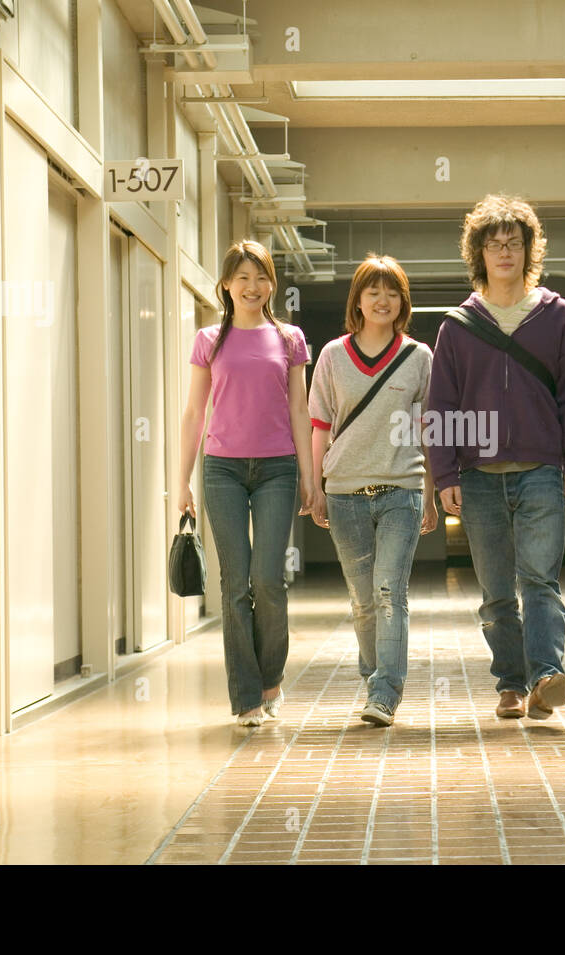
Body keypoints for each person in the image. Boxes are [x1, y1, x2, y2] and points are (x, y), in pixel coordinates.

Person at [428, 194, 565, 720]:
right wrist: (445, 471)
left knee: (540, 580)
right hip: (477, 478)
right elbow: (442, 405)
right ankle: (510, 681)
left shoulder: (558, 315)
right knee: (496, 590)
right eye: (494, 244)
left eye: (514, 243)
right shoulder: (457, 325)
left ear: (528, 251)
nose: (505, 253)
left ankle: (546, 675)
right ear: (479, 253)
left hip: (542, 471)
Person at [178, 239, 314, 728]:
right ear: (227, 285)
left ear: (271, 285)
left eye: (261, 278)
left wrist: (309, 476)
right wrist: (182, 482)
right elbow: (194, 412)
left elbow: (300, 410)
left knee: (267, 581)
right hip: (222, 471)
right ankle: (246, 697)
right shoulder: (209, 339)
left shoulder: (291, 339)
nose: (253, 287)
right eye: (243, 278)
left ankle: (271, 678)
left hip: (278, 468)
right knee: (235, 584)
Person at [308, 255, 437, 727]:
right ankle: (373, 677)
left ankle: (385, 693)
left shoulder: (420, 357)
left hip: (401, 490)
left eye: (392, 292)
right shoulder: (331, 356)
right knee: (363, 600)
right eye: (373, 291)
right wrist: (316, 485)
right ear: (357, 300)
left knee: (388, 592)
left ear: (403, 301)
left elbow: (430, 428)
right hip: (344, 492)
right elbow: (319, 424)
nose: (383, 300)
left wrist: (433, 487)